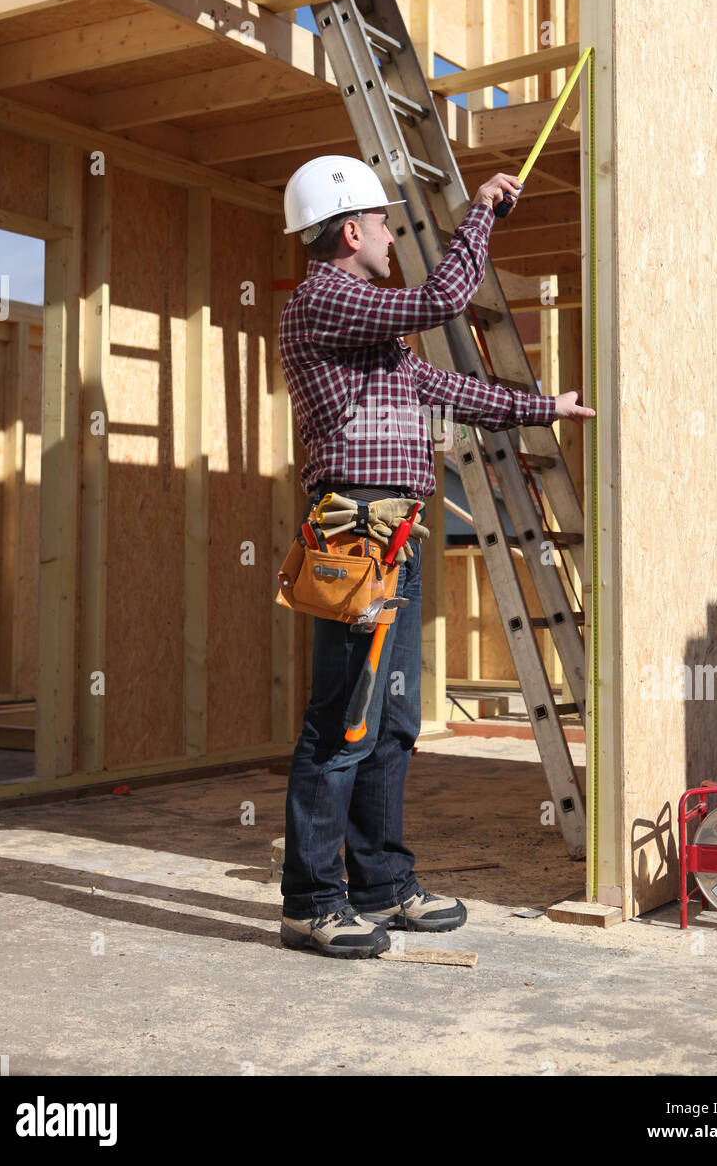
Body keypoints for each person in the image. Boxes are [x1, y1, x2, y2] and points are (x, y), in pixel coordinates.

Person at [277, 154, 595, 958]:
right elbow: (447, 297)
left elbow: (450, 391)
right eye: (383, 222)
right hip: (357, 539)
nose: (390, 235)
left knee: (391, 724)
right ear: (351, 230)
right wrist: (482, 210)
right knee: (341, 725)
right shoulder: (324, 300)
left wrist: (543, 406)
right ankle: (312, 902)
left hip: (394, 538)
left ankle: (381, 887)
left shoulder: (369, 331)